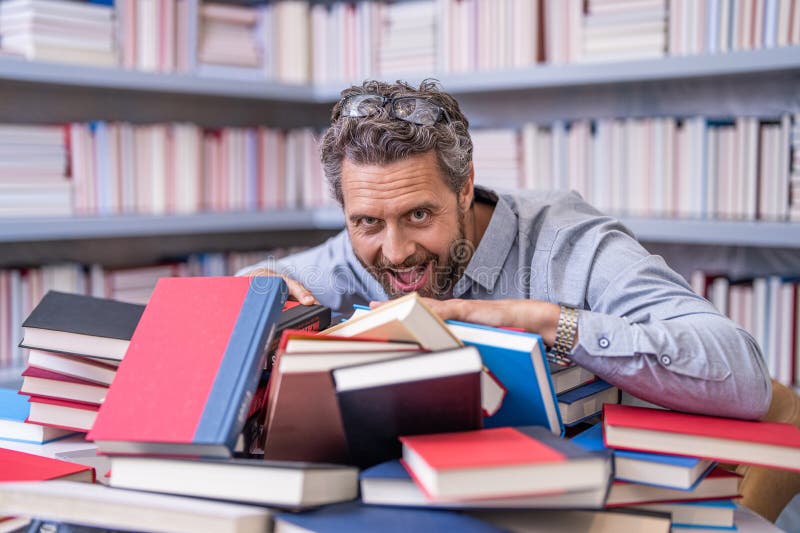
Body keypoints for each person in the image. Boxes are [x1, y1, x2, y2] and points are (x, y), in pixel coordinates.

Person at [240, 79, 771, 420]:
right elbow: (270, 276)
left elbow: (745, 377)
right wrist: (252, 290)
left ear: (465, 185)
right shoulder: (362, 250)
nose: (395, 252)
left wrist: (540, 321)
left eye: (419, 215)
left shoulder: (571, 245)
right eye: (367, 222)